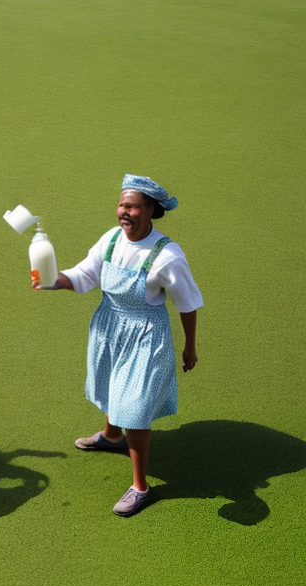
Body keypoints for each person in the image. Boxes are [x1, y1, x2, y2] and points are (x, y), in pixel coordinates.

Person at [37, 175, 203, 517]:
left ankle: (140, 487)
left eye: (133, 206)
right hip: (109, 326)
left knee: (135, 406)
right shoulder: (111, 239)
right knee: (111, 382)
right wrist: (53, 280)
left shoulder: (167, 255)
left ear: (151, 210)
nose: (124, 213)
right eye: (121, 204)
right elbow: (84, 275)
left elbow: (187, 303)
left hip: (146, 335)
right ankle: (112, 437)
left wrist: (190, 347)